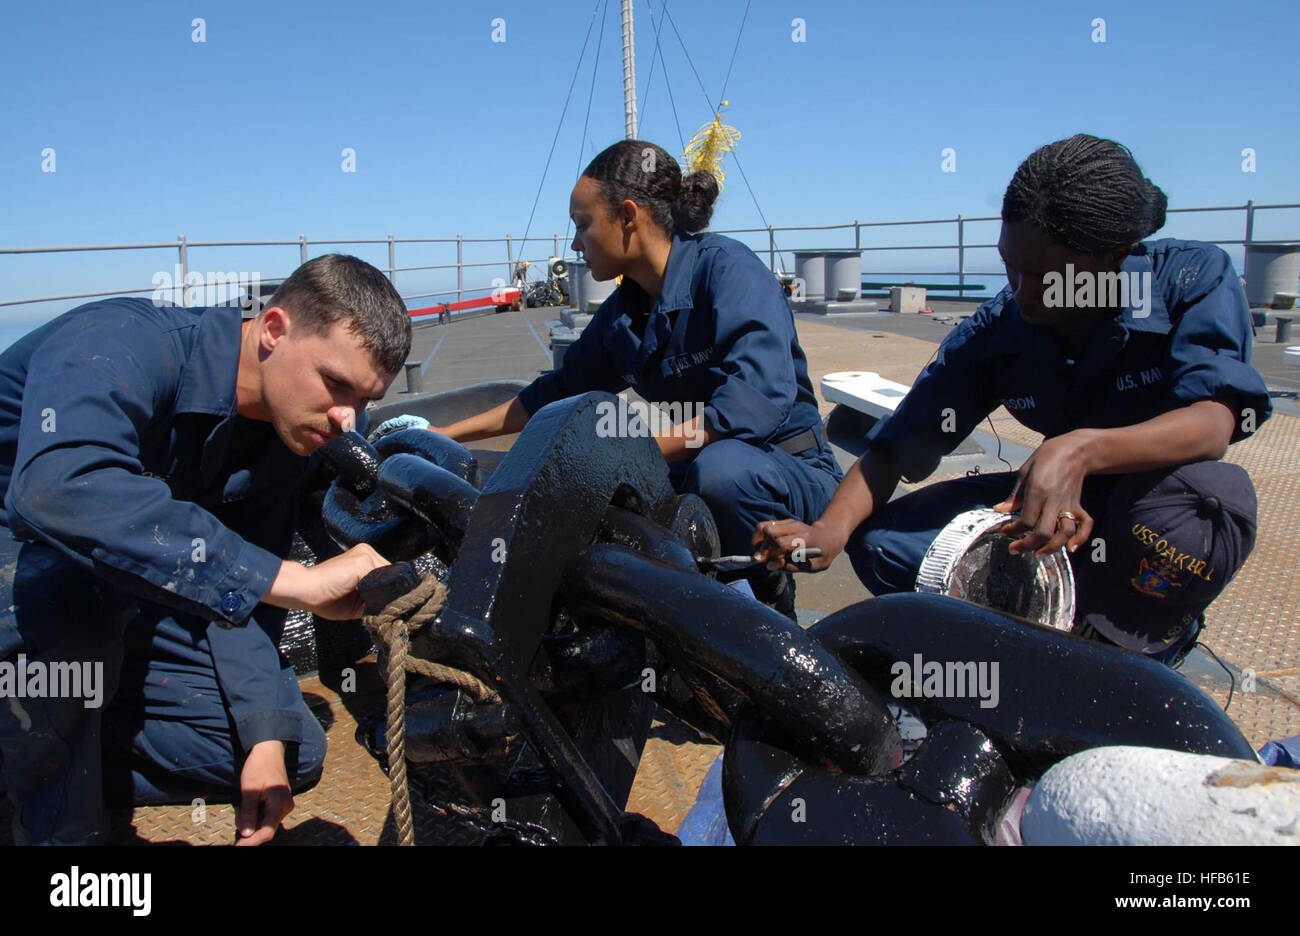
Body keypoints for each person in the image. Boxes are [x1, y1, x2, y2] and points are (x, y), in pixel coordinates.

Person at [754, 134, 1272, 664]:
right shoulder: (1000, 329)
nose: (1022, 292)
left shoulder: (1190, 278)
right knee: (884, 544)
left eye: (1047, 278)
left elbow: (1216, 420)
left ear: (1115, 256)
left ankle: (1140, 643)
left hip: (1156, 506)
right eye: (1010, 267)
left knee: (1214, 497)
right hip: (1046, 501)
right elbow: (895, 449)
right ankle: (1025, 645)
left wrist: (1079, 450)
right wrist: (828, 533)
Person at [0, 253, 410, 844]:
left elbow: (236, 593)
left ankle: (42, 744)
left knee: (287, 751)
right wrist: (295, 581)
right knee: (74, 607)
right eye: (336, 383)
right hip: (30, 568)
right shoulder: (119, 343)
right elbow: (59, 489)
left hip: (116, 593)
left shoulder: (282, 434)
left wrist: (263, 737)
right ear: (273, 330)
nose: (349, 419)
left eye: (366, 400)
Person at [377, 140, 843, 617]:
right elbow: (552, 394)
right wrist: (442, 434)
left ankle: (768, 594)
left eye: (582, 225)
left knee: (720, 473)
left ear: (627, 216)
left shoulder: (728, 271)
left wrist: (630, 455)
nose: (576, 244)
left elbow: (755, 402)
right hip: (701, 459)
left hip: (789, 468)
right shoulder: (626, 311)